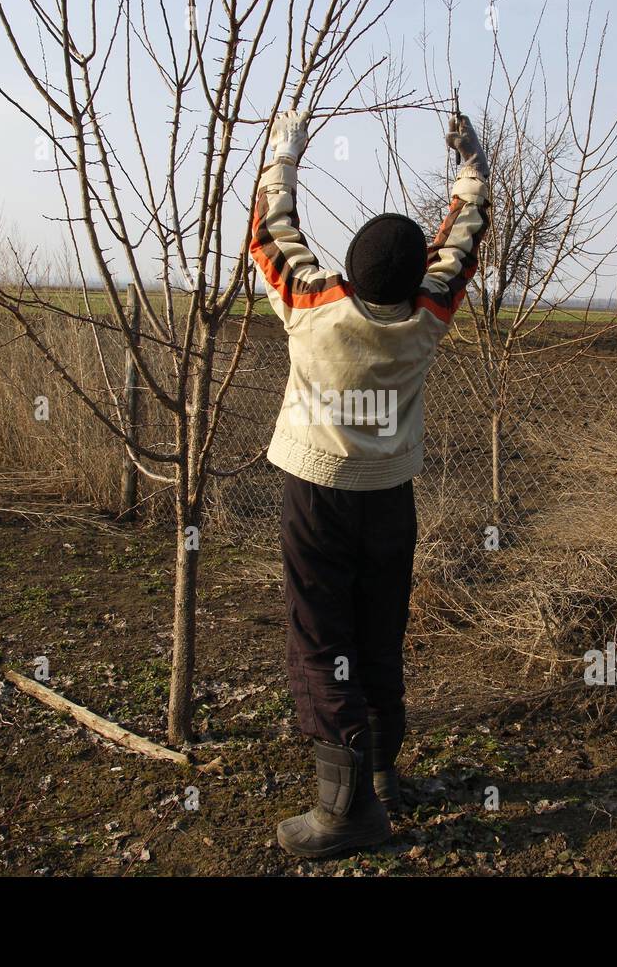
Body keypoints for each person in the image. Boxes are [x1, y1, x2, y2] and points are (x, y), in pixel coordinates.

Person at [248, 108, 491, 858]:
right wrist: (470, 167)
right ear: (416, 276)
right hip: (391, 497)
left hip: (316, 494)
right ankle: (384, 776)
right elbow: (465, 234)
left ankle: (344, 811)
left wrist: (283, 154)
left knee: (322, 638)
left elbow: (268, 231)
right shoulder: (428, 314)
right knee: (379, 631)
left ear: (348, 269)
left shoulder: (311, 306)